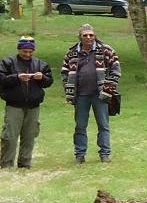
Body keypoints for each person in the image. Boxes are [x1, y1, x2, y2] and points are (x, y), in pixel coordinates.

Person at [61, 24, 119, 163]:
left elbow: (115, 70)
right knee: (80, 126)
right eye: (85, 35)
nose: (88, 37)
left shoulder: (106, 50)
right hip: (81, 95)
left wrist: (108, 90)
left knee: (103, 125)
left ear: (95, 36)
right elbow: (64, 73)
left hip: (100, 95)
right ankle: (80, 155)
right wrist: (69, 91)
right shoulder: (72, 53)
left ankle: (105, 154)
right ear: (80, 37)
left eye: (91, 35)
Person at [1, 36, 54, 169]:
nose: (27, 54)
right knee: (10, 136)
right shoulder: (8, 62)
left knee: (30, 135)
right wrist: (17, 78)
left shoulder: (40, 64)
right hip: (14, 105)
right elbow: (1, 79)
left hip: (33, 106)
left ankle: (25, 163)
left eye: (30, 52)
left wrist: (42, 78)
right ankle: (6, 163)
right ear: (19, 49)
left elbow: (49, 81)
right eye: (24, 51)